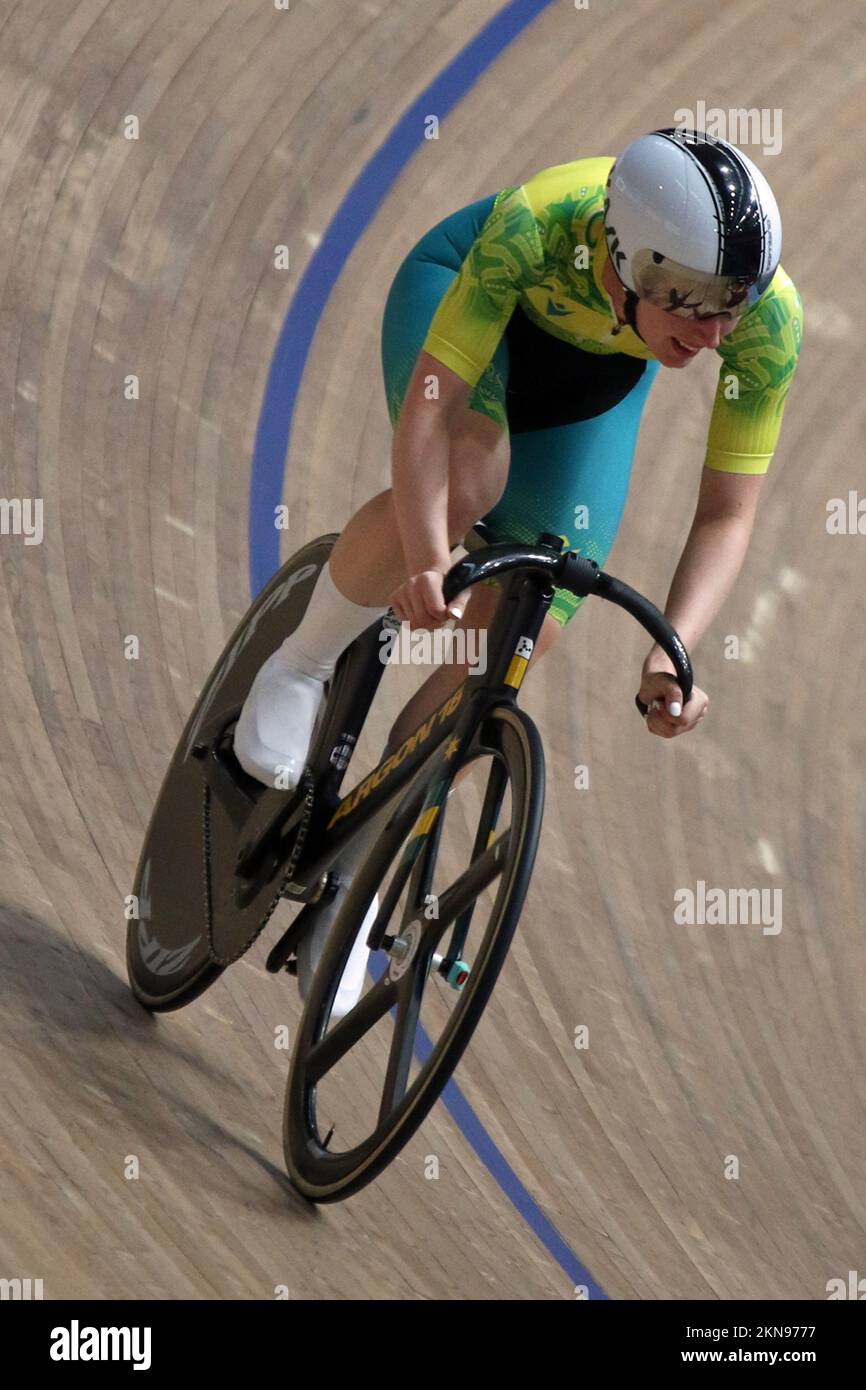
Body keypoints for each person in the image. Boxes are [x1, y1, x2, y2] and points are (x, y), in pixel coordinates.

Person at [234, 127, 803, 1007]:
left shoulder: (762, 321)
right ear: (629, 260)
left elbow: (728, 513)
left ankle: (361, 877)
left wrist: (673, 652)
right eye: (694, 304)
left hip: (595, 383)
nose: (719, 330)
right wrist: (428, 555)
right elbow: (431, 415)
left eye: (733, 303)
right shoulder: (535, 224)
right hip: (459, 301)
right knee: (466, 481)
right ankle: (301, 660)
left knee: (529, 609)